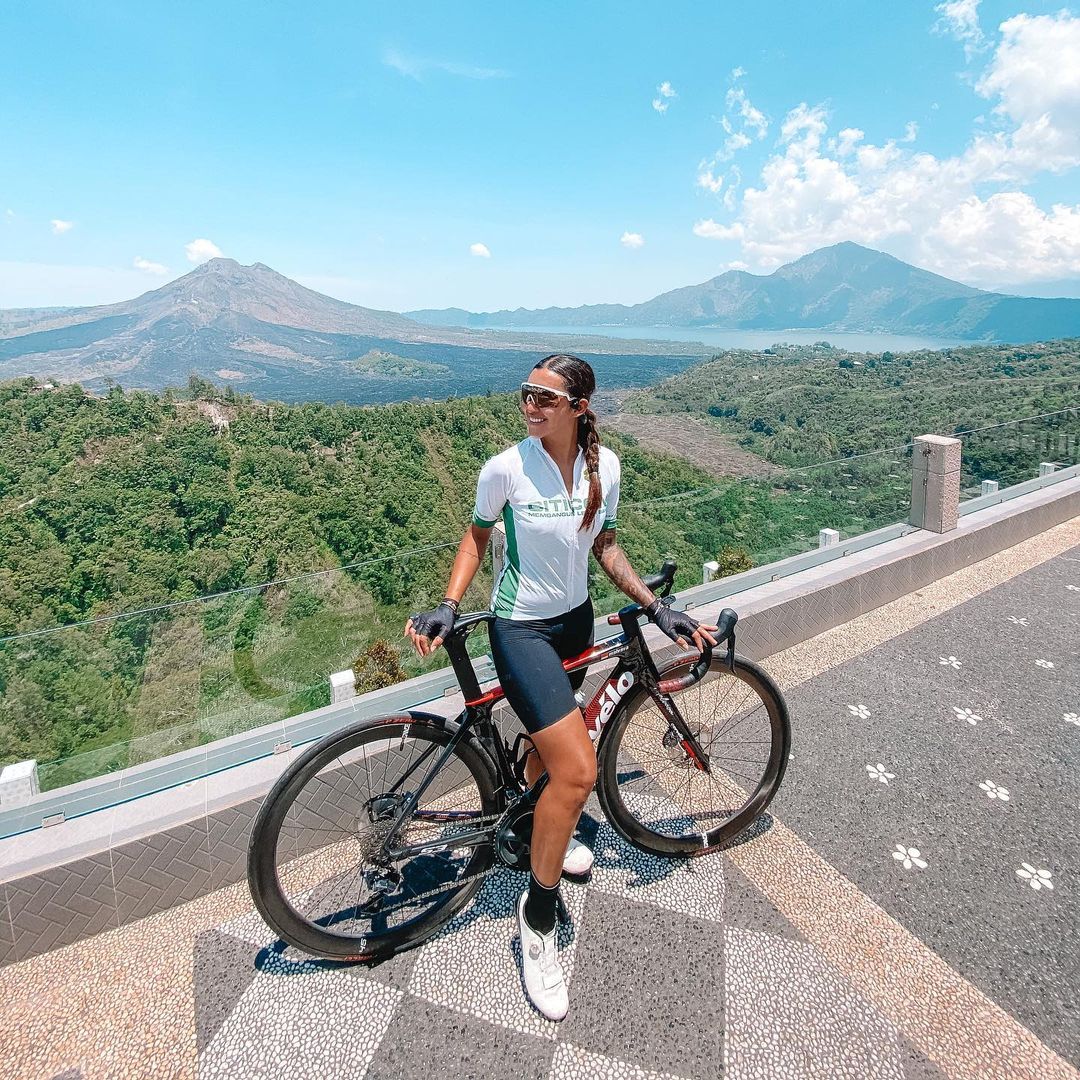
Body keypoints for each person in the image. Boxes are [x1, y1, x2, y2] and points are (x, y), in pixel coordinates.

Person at [404, 354, 717, 1021]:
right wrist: (450, 601)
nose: (530, 406)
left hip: (573, 622)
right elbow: (475, 537)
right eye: (525, 395)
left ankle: (538, 817)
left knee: (554, 750)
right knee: (578, 772)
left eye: (545, 398)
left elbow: (604, 545)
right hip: (520, 630)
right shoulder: (506, 467)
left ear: (579, 406)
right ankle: (539, 918)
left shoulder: (606, 468)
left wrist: (656, 606)